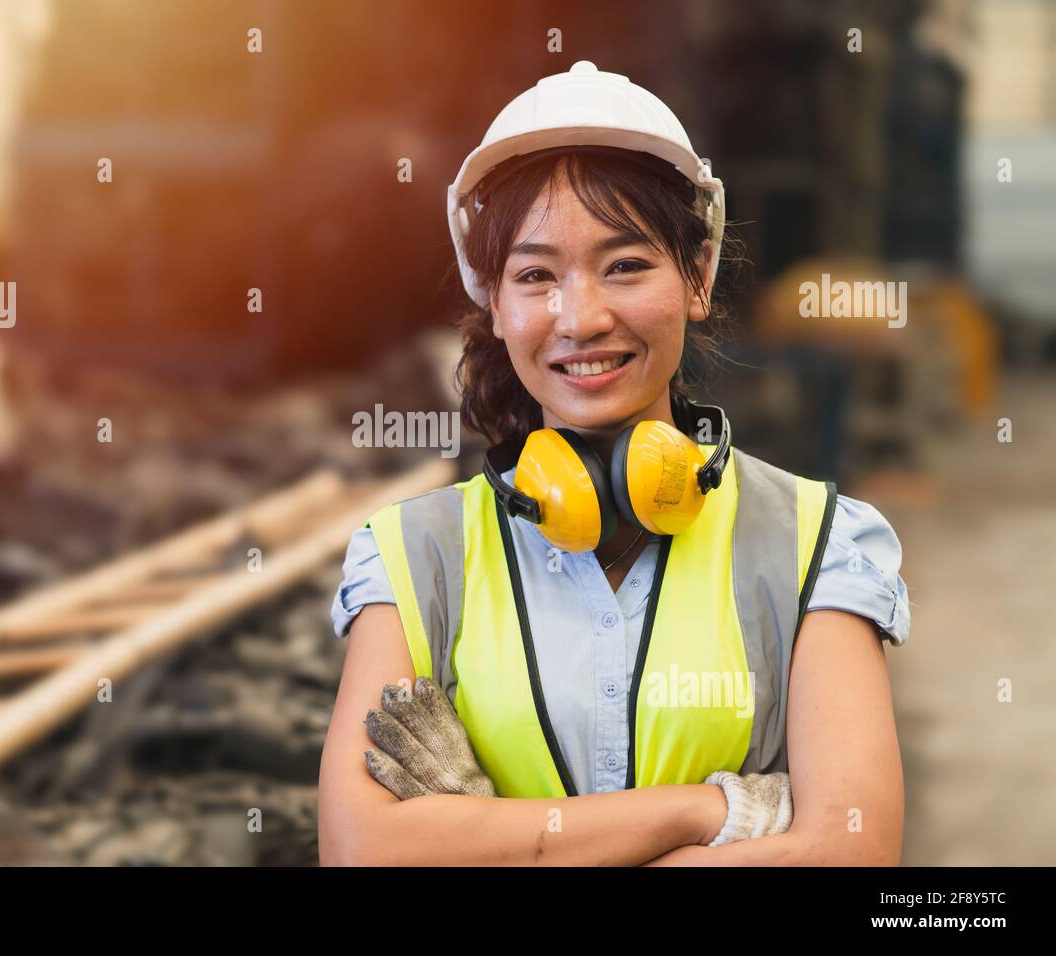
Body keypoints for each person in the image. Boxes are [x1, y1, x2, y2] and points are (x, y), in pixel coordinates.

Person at [317, 61, 910, 866]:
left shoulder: (817, 542)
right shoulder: (413, 555)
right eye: (534, 276)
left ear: (697, 276)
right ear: (496, 304)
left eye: (625, 265)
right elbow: (362, 853)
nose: (580, 318)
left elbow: (851, 852)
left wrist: (484, 841)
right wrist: (714, 810)